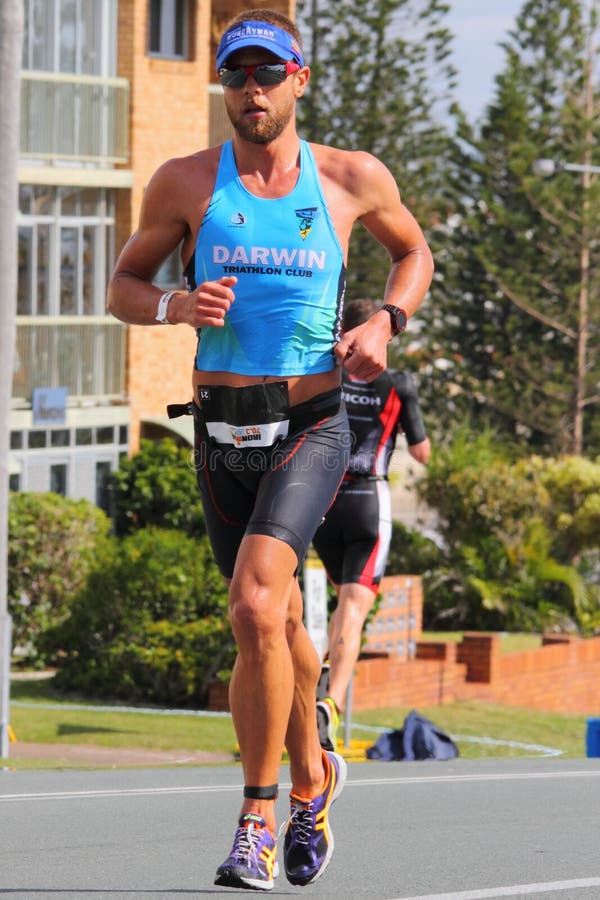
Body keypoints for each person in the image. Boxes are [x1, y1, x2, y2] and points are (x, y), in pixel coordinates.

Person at [107, 7, 433, 892]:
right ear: (224, 86)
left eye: (267, 74)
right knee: (279, 626)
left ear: (300, 80)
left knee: (254, 609)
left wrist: (384, 320)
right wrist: (175, 307)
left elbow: (415, 253)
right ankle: (313, 781)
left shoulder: (349, 179)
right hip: (219, 433)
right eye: (236, 76)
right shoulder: (183, 183)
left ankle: (255, 820)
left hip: (311, 424)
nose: (251, 91)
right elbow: (124, 285)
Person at [311, 298, 431, 751]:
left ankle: (319, 671)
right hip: (367, 499)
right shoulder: (397, 384)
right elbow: (421, 453)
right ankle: (332, 704)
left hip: (319, 498)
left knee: (340, 604)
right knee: (353, 612)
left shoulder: (325, 371)